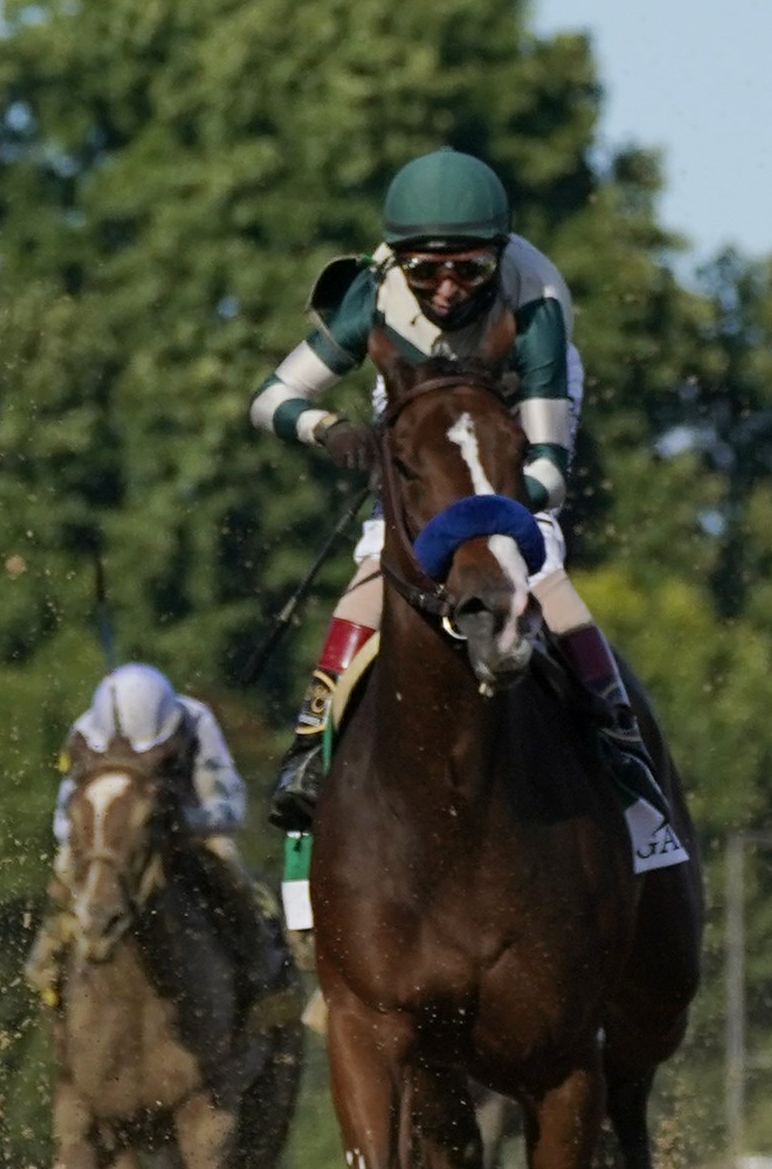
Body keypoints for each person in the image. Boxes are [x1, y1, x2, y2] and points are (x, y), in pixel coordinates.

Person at [247, 147, 669, 845]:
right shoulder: (371, 294)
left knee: (540, 567)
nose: (446, 289)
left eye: (469, 268)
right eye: (426, 270)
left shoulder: (533, 305)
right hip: (419, 396)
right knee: (374, 564)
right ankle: (308, 746)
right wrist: (332, 430)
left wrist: (478, 516)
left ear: (498, 259)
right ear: (398, 263)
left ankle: (620, 732)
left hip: (510, 416)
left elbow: (550, 470)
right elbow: (271, 399)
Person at [24, 663, 278, 1007]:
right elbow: (63, 821)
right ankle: (49, 961)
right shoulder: (84, 734)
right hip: (108, 841)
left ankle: (258, 955)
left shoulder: (195, 721)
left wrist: (179, 821)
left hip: (189, 833)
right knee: (66, 870)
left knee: (226, 860)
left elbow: (228, 805)